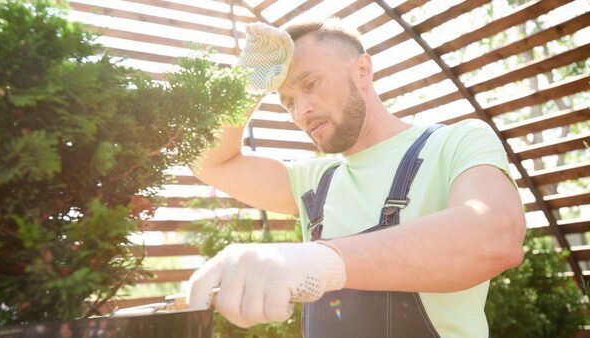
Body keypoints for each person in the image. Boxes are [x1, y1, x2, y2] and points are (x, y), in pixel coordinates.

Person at [186, 19, 526, 337]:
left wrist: (320, 260)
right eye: (288, 101)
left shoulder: (456, 142)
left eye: (311, 84)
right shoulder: (314, 182)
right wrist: (245, 86)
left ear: (363, 70)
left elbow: (496, 234)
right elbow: (208, 162)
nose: (300, 110)